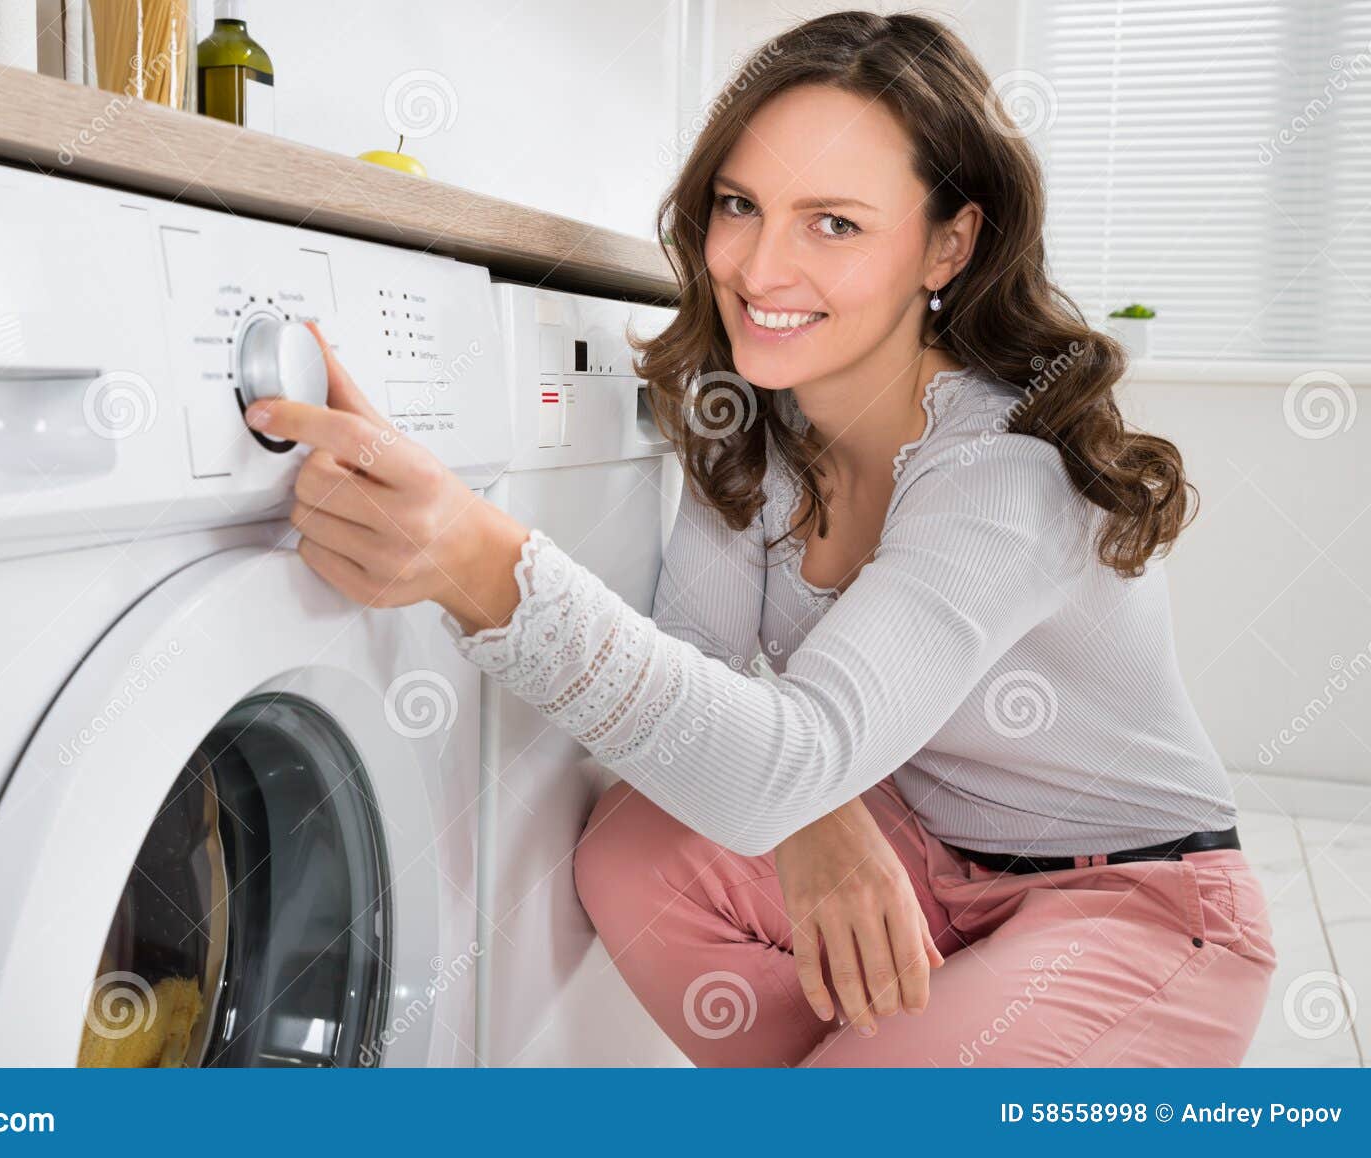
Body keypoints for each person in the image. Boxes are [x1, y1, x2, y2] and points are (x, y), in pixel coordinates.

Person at [242, 9, 1277, 1066]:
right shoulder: (756, 425)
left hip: (1129, 899)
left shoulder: (1006, 470)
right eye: (740, 205)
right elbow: (700, 667)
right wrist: (811, 809)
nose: (759, 266)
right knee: (637, 854)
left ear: (948, 244)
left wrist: (474, 560)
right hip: (920, 852)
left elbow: (763, 750)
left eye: (833, 223)